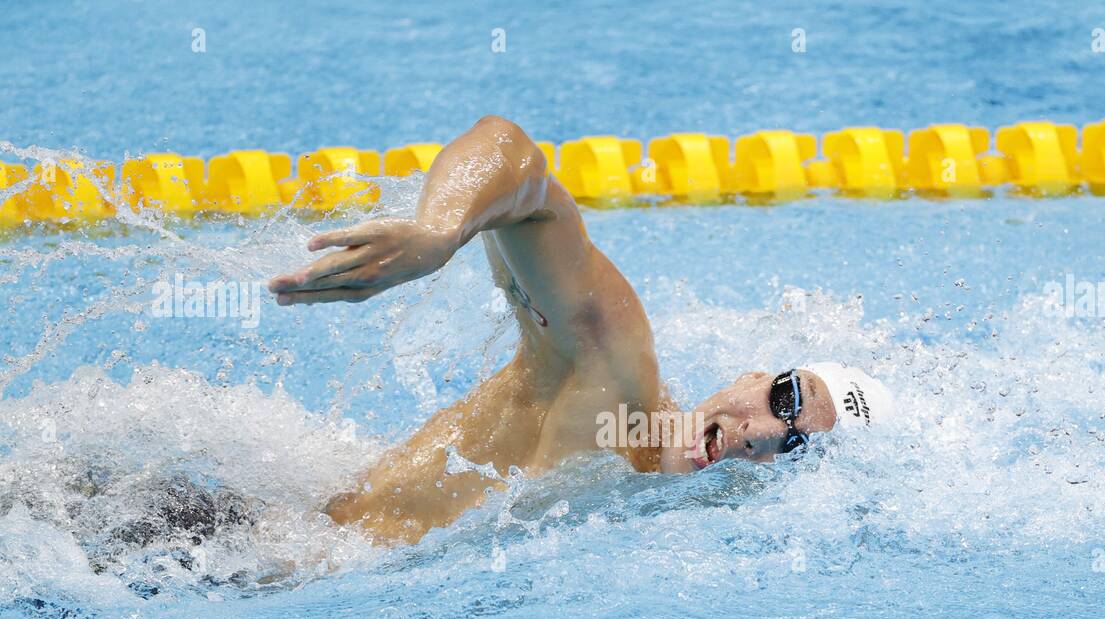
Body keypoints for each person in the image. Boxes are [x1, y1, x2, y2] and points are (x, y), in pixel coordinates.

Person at [269, 116, 894, 545]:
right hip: (236, 549)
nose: (759, 437)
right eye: (784, 399)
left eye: (794, 448)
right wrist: (439, 233)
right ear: (752, 376)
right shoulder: (616, 382)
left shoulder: (638, 510)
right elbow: (511, 151)